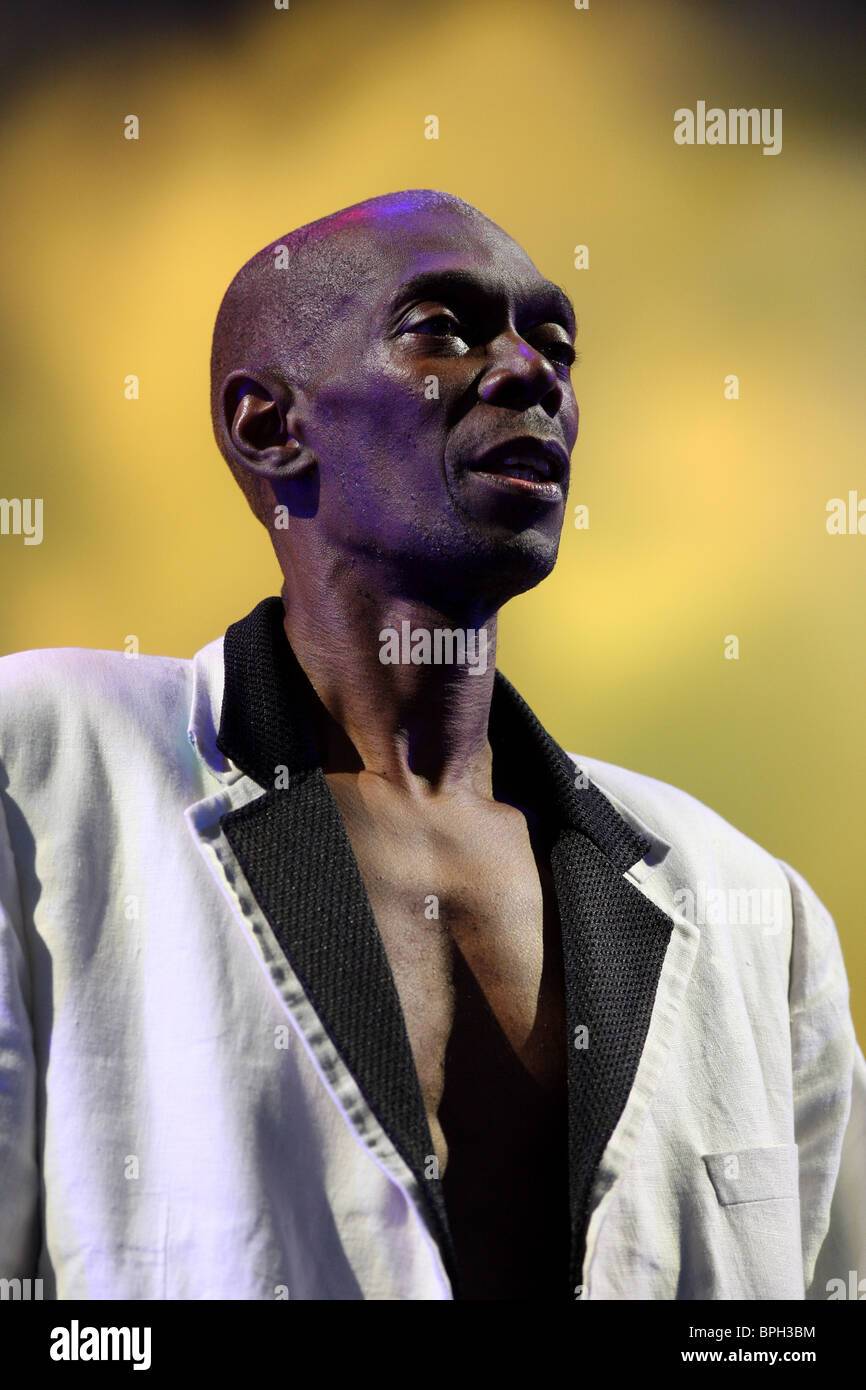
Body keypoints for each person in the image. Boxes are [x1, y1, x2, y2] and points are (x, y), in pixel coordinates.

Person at [0, 189, 863, 1301]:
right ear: (270, 423)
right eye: (443, 330)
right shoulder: (46, 767)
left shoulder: (755, 911)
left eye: (556, 343)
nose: (530, 373)